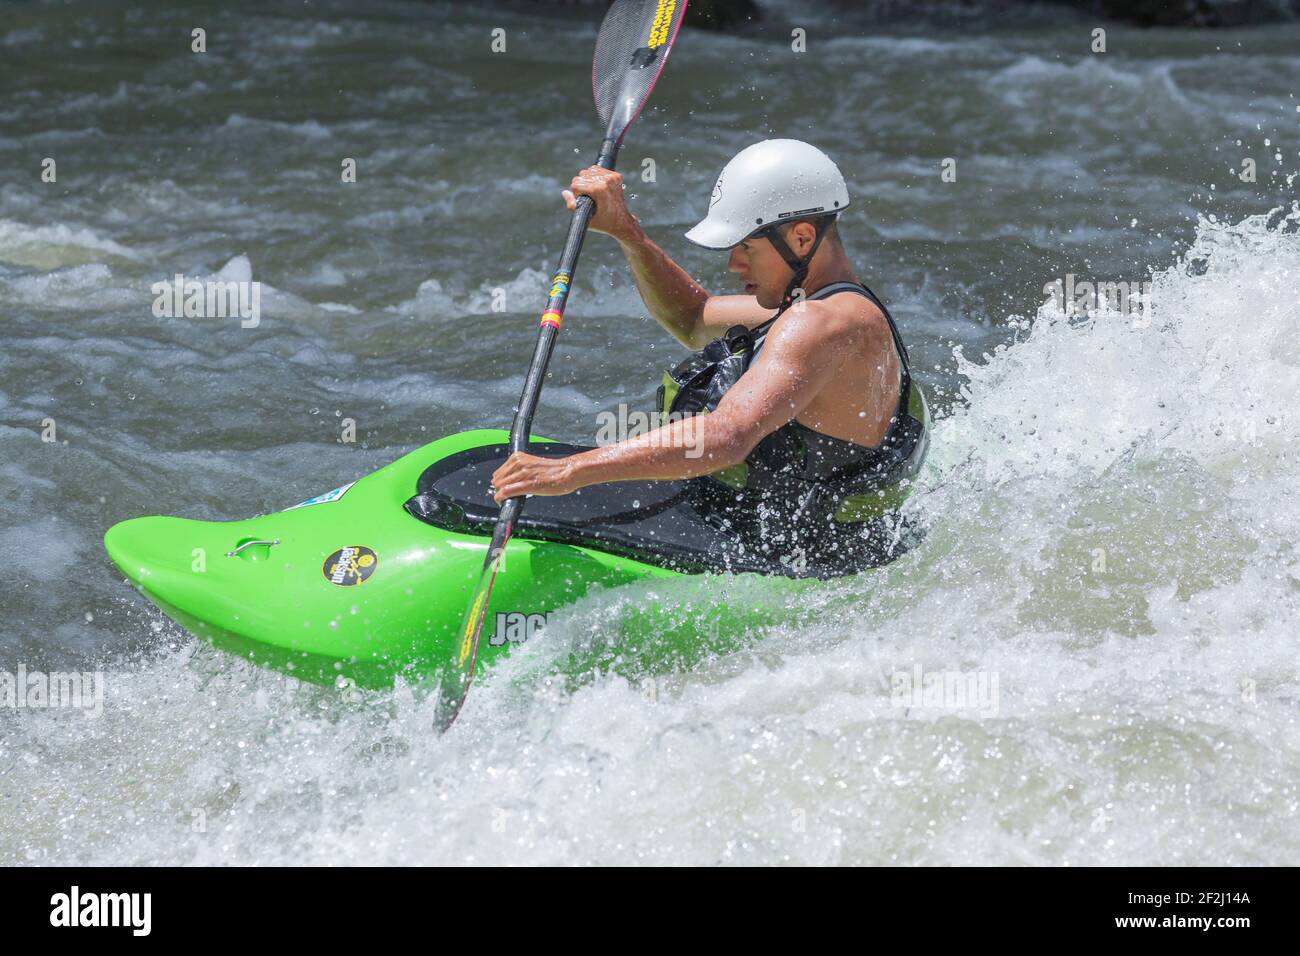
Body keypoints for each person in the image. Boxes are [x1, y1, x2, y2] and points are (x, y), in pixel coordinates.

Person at [491, 139, 928, 569]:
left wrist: (569, 472)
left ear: (801, 237)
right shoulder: (824, 306)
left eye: (746, 248)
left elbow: (726, 437)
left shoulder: (819, 324)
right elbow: (692, 317)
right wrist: (629, 233)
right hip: (781, 528)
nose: (735, 265)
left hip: (792, 553)